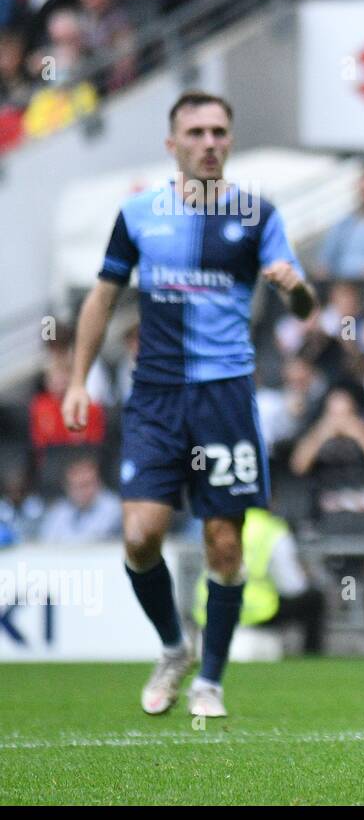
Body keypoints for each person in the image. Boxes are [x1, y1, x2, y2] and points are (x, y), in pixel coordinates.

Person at [61, 90, 318, 719]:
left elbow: (306, 309)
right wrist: (77, 379)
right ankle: (173, 648)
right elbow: (101, 298)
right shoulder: (140, 214)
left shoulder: (258, 216)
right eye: (196, 132)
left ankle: (211, 680)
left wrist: (297, 290)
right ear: (171, 143)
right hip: (154, 394)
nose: (209, 143)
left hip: (225, 396)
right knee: (141, 535)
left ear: (230, 141)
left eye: (219, 132)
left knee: (224, 547)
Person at [193, 507, 326, 655]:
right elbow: (292, 586)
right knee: (314, 599)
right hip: (256, 613)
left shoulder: (218, 523)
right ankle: (311, 658)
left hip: (211, 611)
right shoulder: (271, 530)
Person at [37, 455, 121, 543]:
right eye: (78, 486)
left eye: (87, 484)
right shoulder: (58, 512)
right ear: (67, 488)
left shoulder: (116, 509)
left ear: (98, 482)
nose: (84, 491)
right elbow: (45, 543)